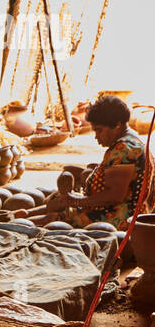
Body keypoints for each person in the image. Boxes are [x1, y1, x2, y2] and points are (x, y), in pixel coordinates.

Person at [52, 95, 151, 230]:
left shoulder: (124, 148)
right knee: (56, 209)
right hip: (122, 211)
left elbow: (113, 196)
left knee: (56, 218)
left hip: (121, 218)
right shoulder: (131, 139)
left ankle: (16, 221)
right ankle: (18, 215)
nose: (96, 136)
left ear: (117, 124)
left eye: (99, 130)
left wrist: (77, 201)